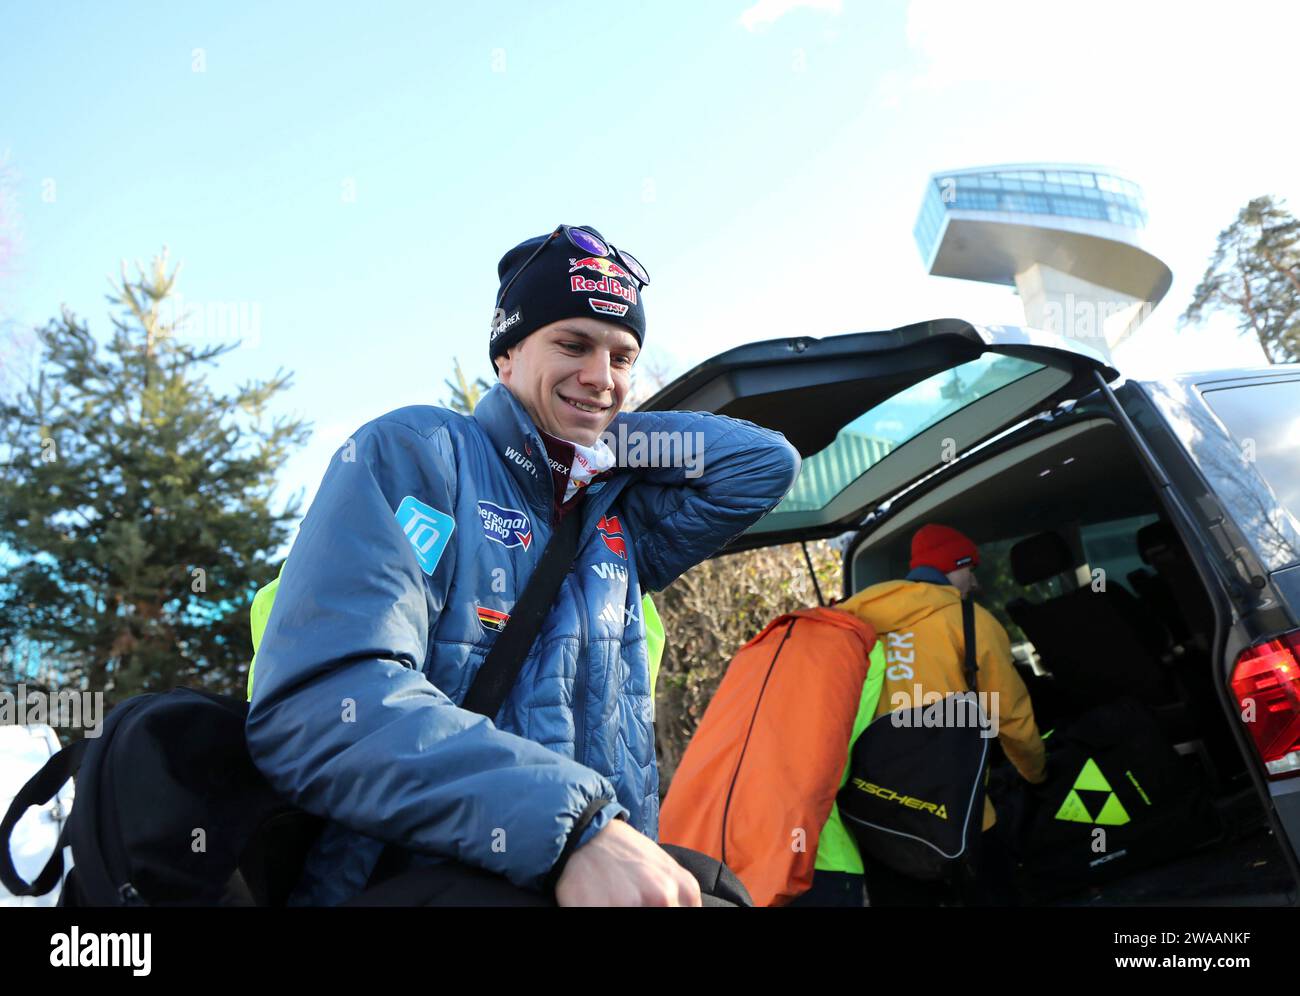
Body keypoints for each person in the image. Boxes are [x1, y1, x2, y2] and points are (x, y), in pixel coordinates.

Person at [244, 224, 801, 907]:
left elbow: (762, 466)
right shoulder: (422, 453)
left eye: (623, 357)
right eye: (573, 345)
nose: (603, 375)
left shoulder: (610, 520)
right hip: (416, 885)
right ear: (506, 356)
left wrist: (594, 431)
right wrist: (570, 828)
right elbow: (324, 705)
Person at [836, 523, 1047, 906]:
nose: (975, 584)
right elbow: (1011, 717)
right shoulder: (971, 621)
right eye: (972, 571)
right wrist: (1037, 774)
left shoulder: (851, 624)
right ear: (955, 567)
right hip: (962, 817)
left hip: (876, 822)